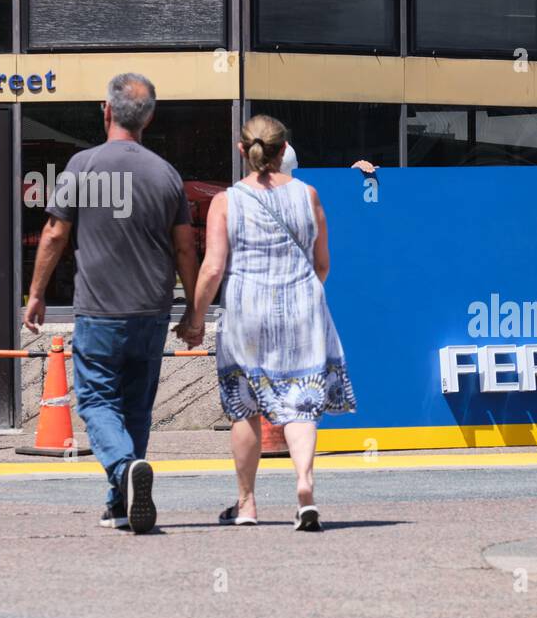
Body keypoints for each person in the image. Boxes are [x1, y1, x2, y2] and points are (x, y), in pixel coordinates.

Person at [24, 73, 197, 533]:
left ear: (106, 111)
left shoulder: (82, 166)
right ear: (150, 117)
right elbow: (185, 248)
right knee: (136, 408)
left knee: (98, 399)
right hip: (152, 311)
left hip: (101, 311)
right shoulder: (166, 174)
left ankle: (123, 469)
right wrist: (195, 310)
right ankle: (120, 502)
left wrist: (37, 294)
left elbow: (55, 233)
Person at [176, 115, 356, 532]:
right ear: (283, 151)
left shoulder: (226, 201)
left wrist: (194, 319)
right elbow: (323, 265)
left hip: (247, 309)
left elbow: (212, 269)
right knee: (302, 401)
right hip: (302, 308)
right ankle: (304, 485)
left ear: (243, 150)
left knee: (245, 407)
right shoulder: (308, 195)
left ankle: (247, 504)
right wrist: (299, 292)